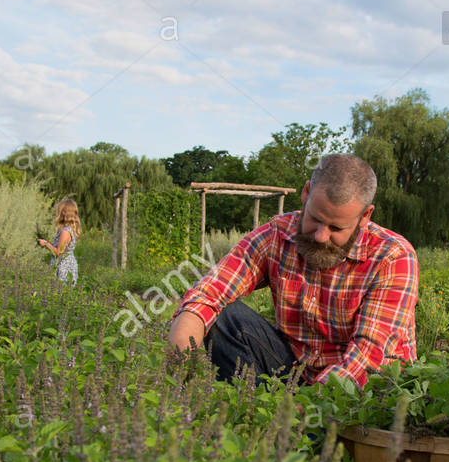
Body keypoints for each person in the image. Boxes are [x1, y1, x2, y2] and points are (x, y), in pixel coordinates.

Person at [168, 154, 419, 386]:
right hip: (297, 374)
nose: (321, 236)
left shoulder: (392, 256)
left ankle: (285, 424)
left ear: (365, 216)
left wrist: (307, 408)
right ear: (306, 192)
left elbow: (367, 354)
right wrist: (183, 343)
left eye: (336, 229)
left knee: (331, 415)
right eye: (315, 219)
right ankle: (252, 412)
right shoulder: (278, 233)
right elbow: (212, 290)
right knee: (225, 316)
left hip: (362, 390)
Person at [38, 198, 81, 284]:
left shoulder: (65, 231)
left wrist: (46, 244)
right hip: (65, 264)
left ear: (64, 213)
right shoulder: (68, 229)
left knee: (60, 292)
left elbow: (59, 252)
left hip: (63, 266)